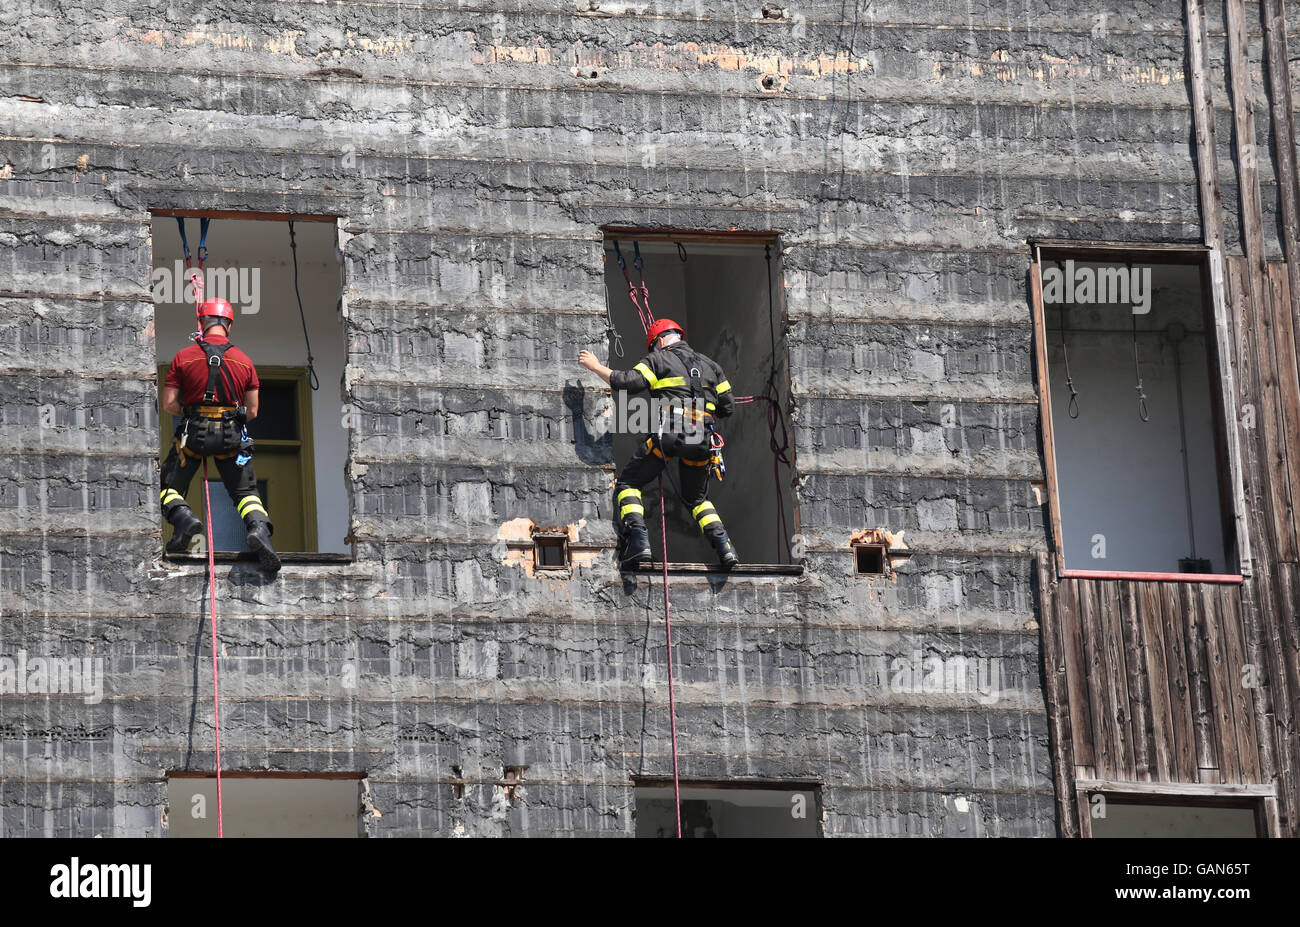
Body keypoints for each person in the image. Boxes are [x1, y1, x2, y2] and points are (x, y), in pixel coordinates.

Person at [578, 318, 739, 570]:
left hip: (671, 434)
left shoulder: (659, 359)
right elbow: (727, 407)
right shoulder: (712, 366)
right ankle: (725, 547)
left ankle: (640, 543)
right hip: (702, 440)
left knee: (629, 483)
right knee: (697, 500)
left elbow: (627, 382)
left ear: (660, 341)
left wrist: (596, 366)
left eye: (653, 346)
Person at [159, 296, 281, 574]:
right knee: (245, 492)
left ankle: (184, 519)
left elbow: (168, 403)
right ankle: (259, 529)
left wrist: (191, 412)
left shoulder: (184, 357)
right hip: (230, 436)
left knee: (169, 487)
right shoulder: (244, 362)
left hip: (193, 434)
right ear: (229, 325)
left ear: (201, 322)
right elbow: (252, 410)